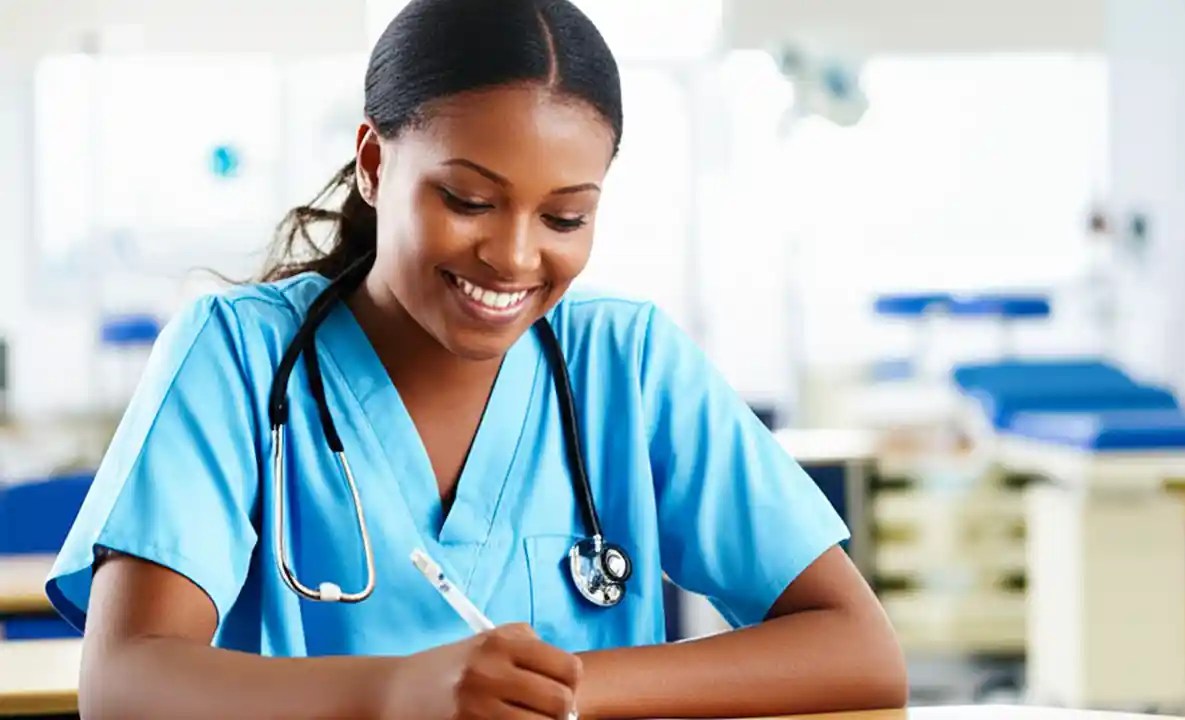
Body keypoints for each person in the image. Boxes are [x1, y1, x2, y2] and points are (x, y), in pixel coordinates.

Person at [46, 0, 906, 718]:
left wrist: (553, 692)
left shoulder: (628, 362)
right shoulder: (236, 353)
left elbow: (860, 649)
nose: (514, 257)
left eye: (565, 218)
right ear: (376, 164)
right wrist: (399, 693)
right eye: (467, 200)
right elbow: (125, 682)